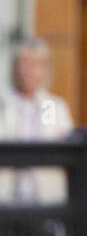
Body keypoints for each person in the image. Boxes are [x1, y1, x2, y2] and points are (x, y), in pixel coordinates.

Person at [0, 38, 74, 204]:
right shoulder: (3, 103)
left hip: (44, 199)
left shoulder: (51, 105)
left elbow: (56, 140)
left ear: (46, 69)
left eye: (36, 64)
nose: (30, 71)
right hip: (6, 199)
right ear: (14, 67)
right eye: (25, 63)